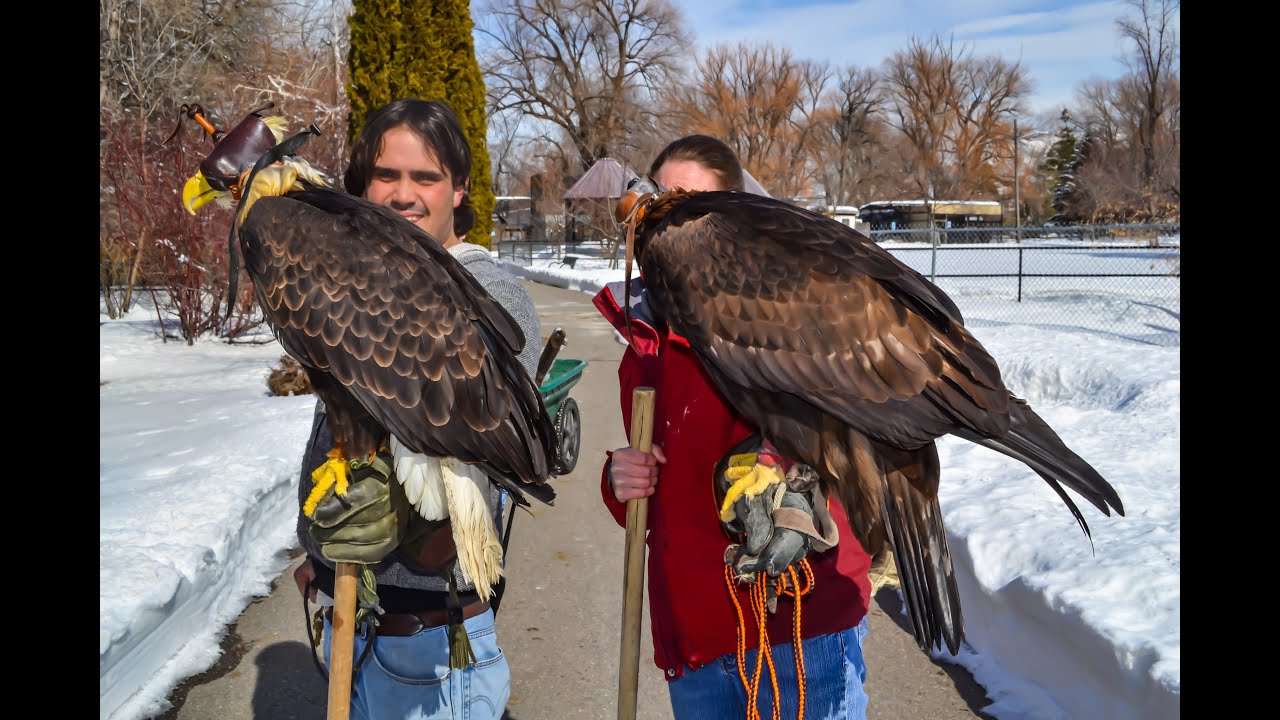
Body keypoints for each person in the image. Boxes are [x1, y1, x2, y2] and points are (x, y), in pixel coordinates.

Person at [596, 134, 874, 719]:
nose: (674, 225)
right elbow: (662, 496)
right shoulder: (645, 343)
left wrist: (802, 471)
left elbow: (863, 440)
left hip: (796, 634)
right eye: (659, 205)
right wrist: (622, 480)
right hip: (697, 645)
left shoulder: (798, 316)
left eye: (695, 207)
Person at [291, 97, 541, 720]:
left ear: (458, 189)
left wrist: (396, 520)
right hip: (347, 622)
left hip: (430, 648)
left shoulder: (490, 295)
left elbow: (476, 489)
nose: (404, 195)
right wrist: (318, 556)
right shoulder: (356, 284)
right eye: (386, 175)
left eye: (425, 178)